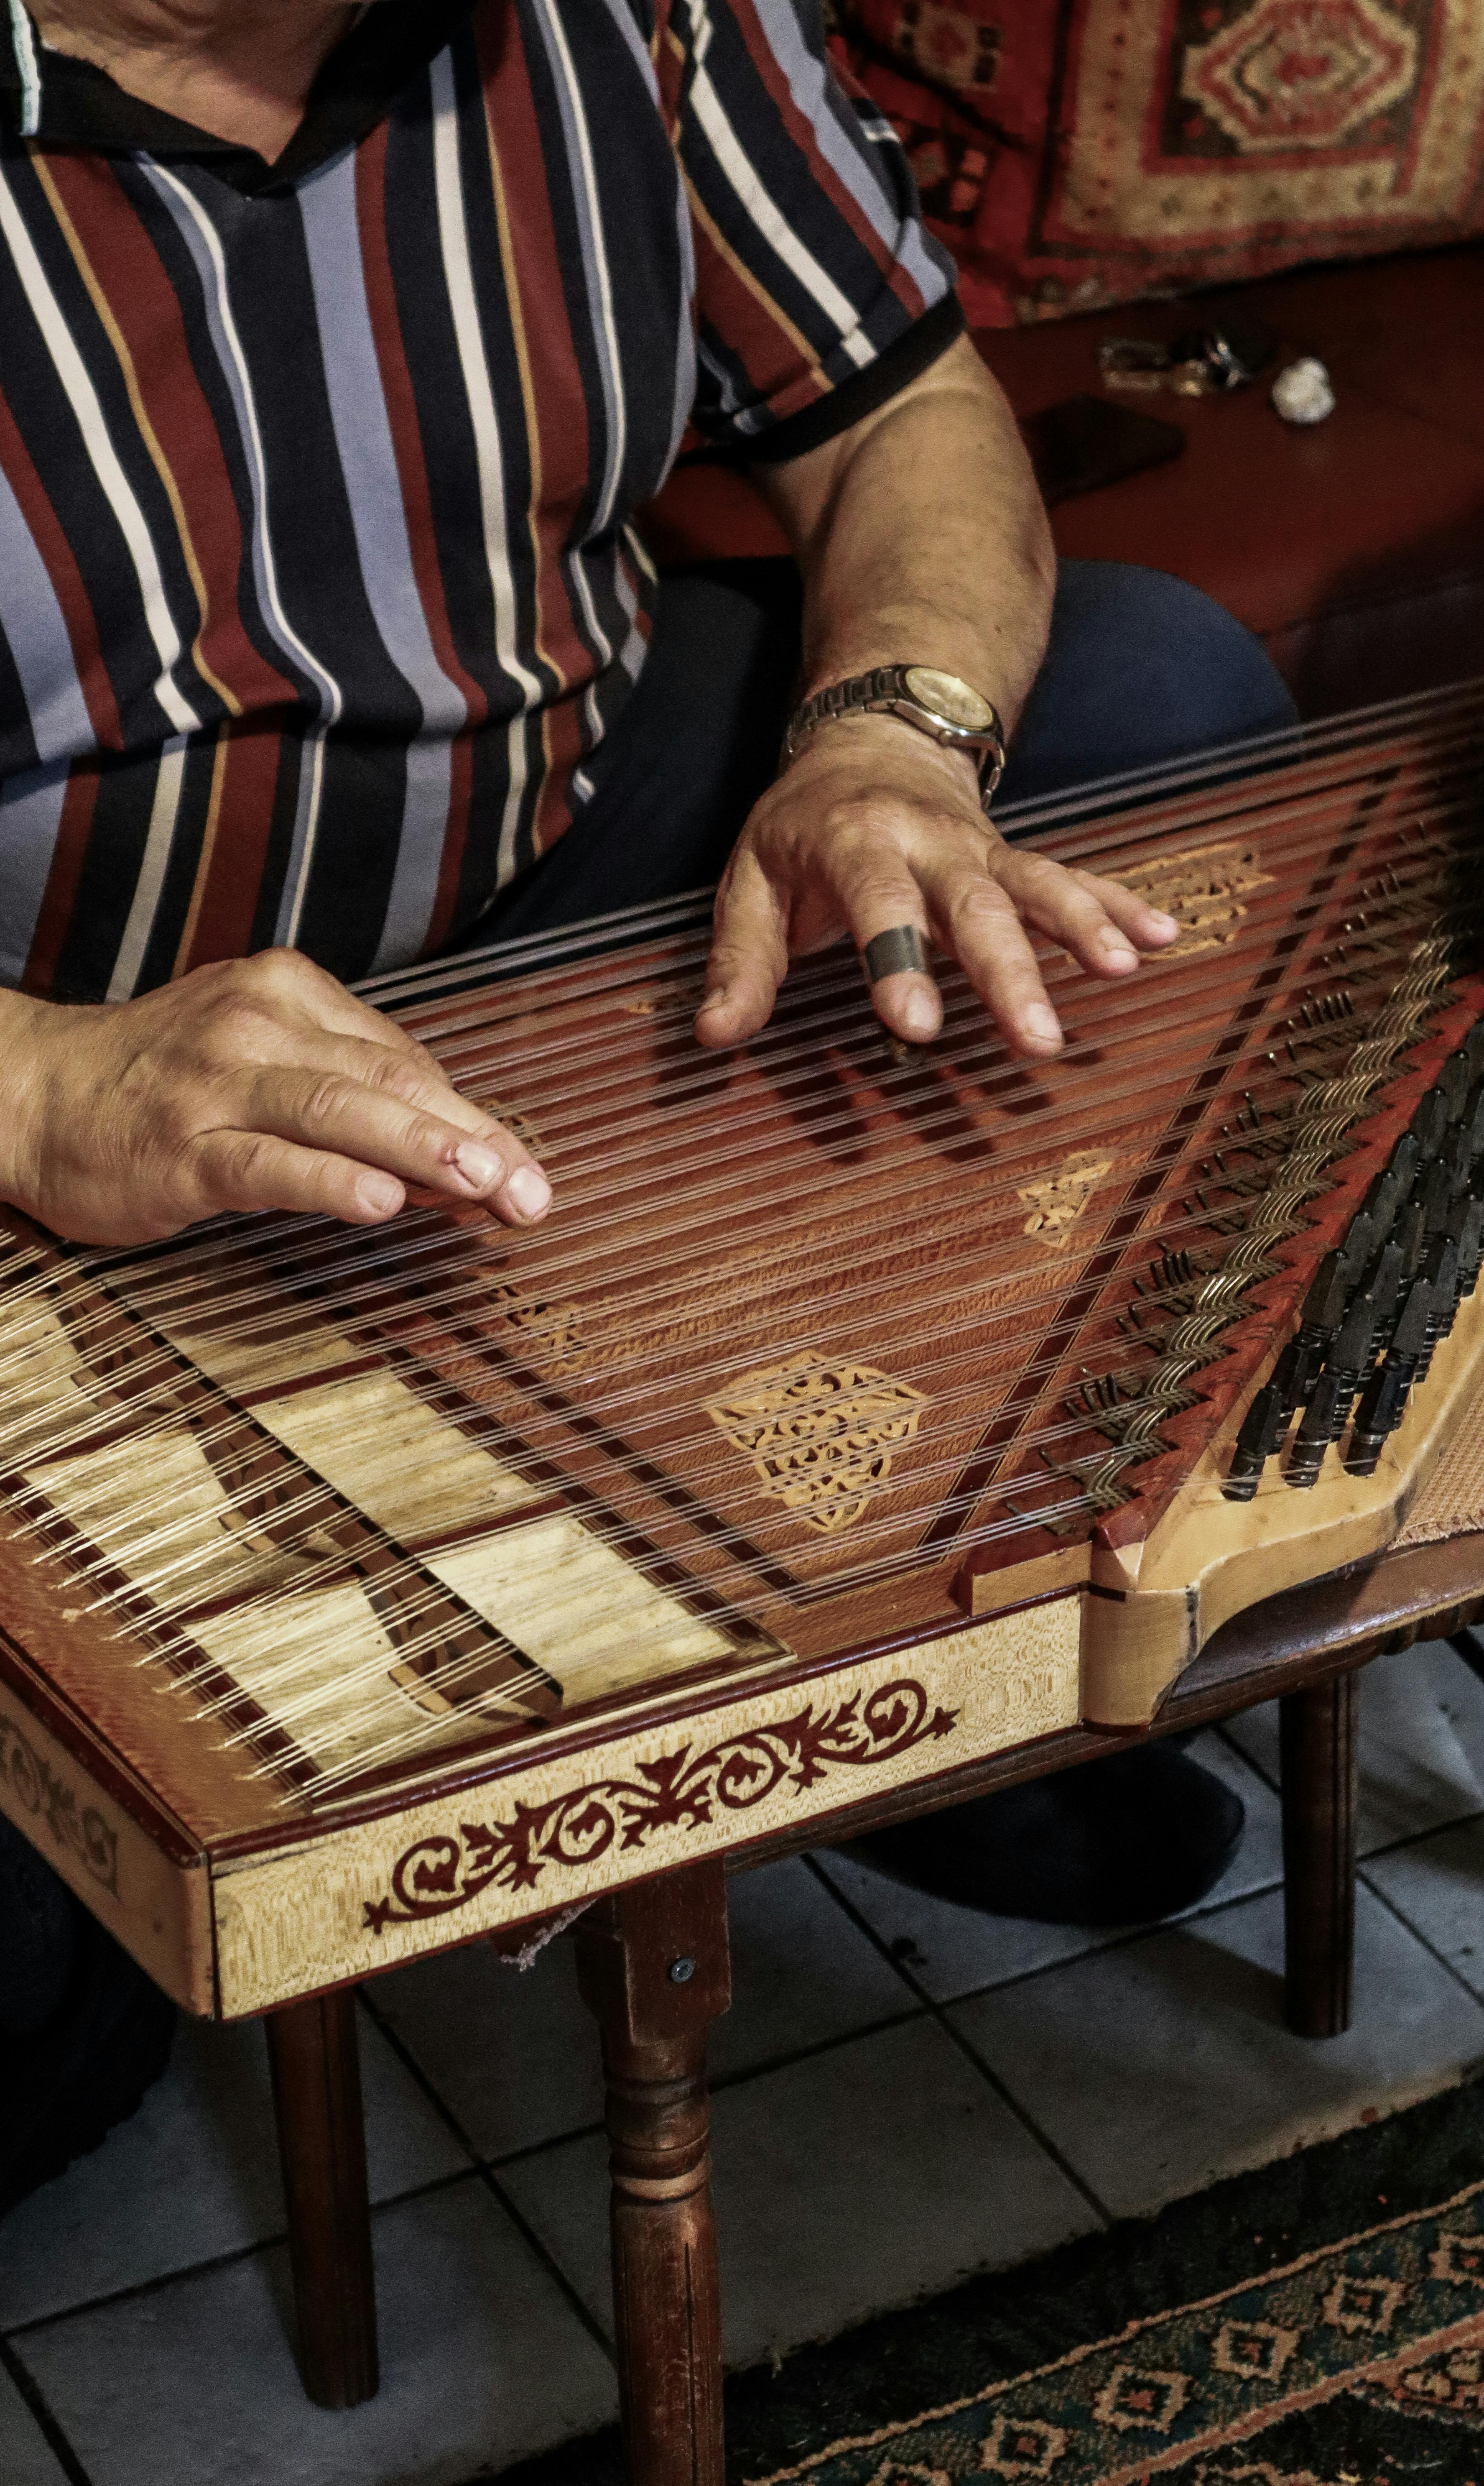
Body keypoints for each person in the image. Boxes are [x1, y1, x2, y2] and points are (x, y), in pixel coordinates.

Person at [0, 0, 1295, 2202]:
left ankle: (894, 1641)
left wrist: (886, 735)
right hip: (58, 1044)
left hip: (553, 866)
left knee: (1138, 718)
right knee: (43, 2005)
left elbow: (901, 421)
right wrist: (41, 1091)